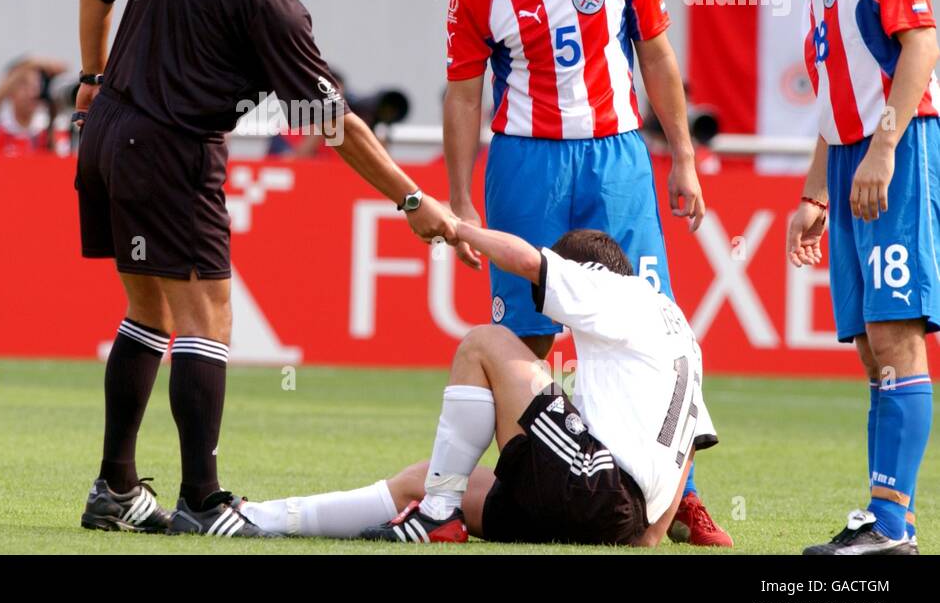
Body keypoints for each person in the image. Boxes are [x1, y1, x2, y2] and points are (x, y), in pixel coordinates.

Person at [75, 0, 462, 536]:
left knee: (149, 312)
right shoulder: (271, 1)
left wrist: (90, 79)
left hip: (108, 136)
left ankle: (115, 487)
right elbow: (334, 125)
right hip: (175, 153)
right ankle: (202, 501)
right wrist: (411, 199)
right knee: (208, 318)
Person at [442, 0, 732, 546]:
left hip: (618, 159)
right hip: (524, 162)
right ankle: (457, 500)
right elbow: (461, 91)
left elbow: (657, 56)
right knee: (523, 338)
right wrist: (459, 201)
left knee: (652, 326)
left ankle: (682, 499)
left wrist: (684, 159)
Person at [241, 226, 718, 545]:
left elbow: (530, 262)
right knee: (423, 480)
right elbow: (690, 441)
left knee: (484, 342)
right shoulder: (682, 333)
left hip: (594, 489)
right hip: (614, 517)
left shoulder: (614, 288)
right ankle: (260, 518)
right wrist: (647, 536)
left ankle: (437, 516)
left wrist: (455, 226)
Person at [735, 0, 938, 555]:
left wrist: (885, 145)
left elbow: (921, 40)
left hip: (899, 145)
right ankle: (895, 524)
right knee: (870, 347)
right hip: (852, 156)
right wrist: (813, 194)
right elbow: (831, 98)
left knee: (896, 338)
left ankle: (887, 527)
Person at [0, 56, 68, 154]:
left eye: (35, 86)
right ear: (9, 90)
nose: (31, 93)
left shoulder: (49, 128)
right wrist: (33, 62)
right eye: (23, 85)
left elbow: (58, 161)